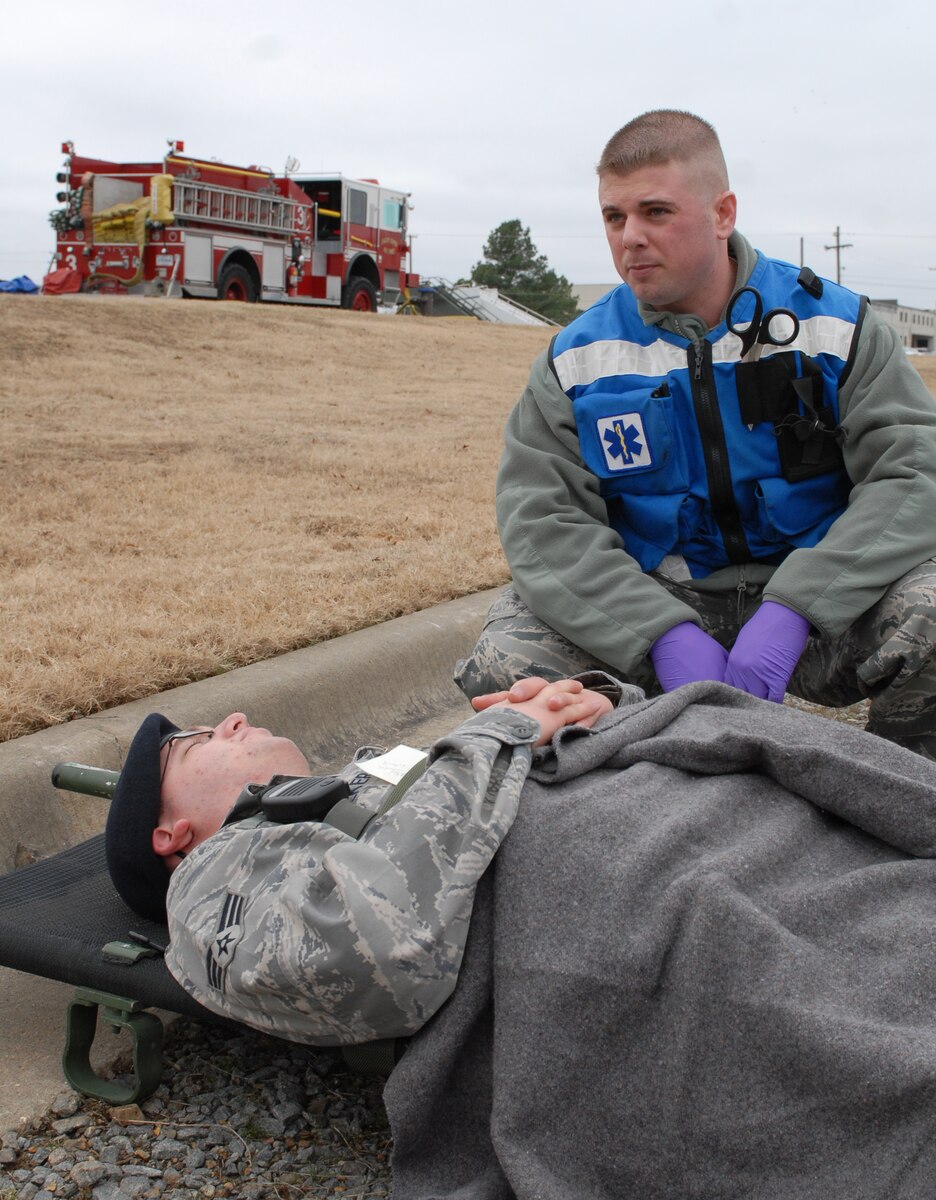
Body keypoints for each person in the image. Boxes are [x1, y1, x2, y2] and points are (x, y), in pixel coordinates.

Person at [455, 109, 936, 760]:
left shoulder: (837, 327)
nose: (630, 238)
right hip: (665, 609)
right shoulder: (579, 358)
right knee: (507, 660)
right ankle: (651, 802)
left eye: (656, 212)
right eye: (614, 217)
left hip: (820, 612)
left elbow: (912, 475)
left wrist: (797, 605)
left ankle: (891, 808)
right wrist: (658, 633)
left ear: (722, 213)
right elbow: (544, 523)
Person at [104, 675, 617, 1047]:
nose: (233, 720)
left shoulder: (352, 783)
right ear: (171, 837)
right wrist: (498, 734)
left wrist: (585, 707)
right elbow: (367, 951)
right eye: (194, 743)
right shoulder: (207, 882)